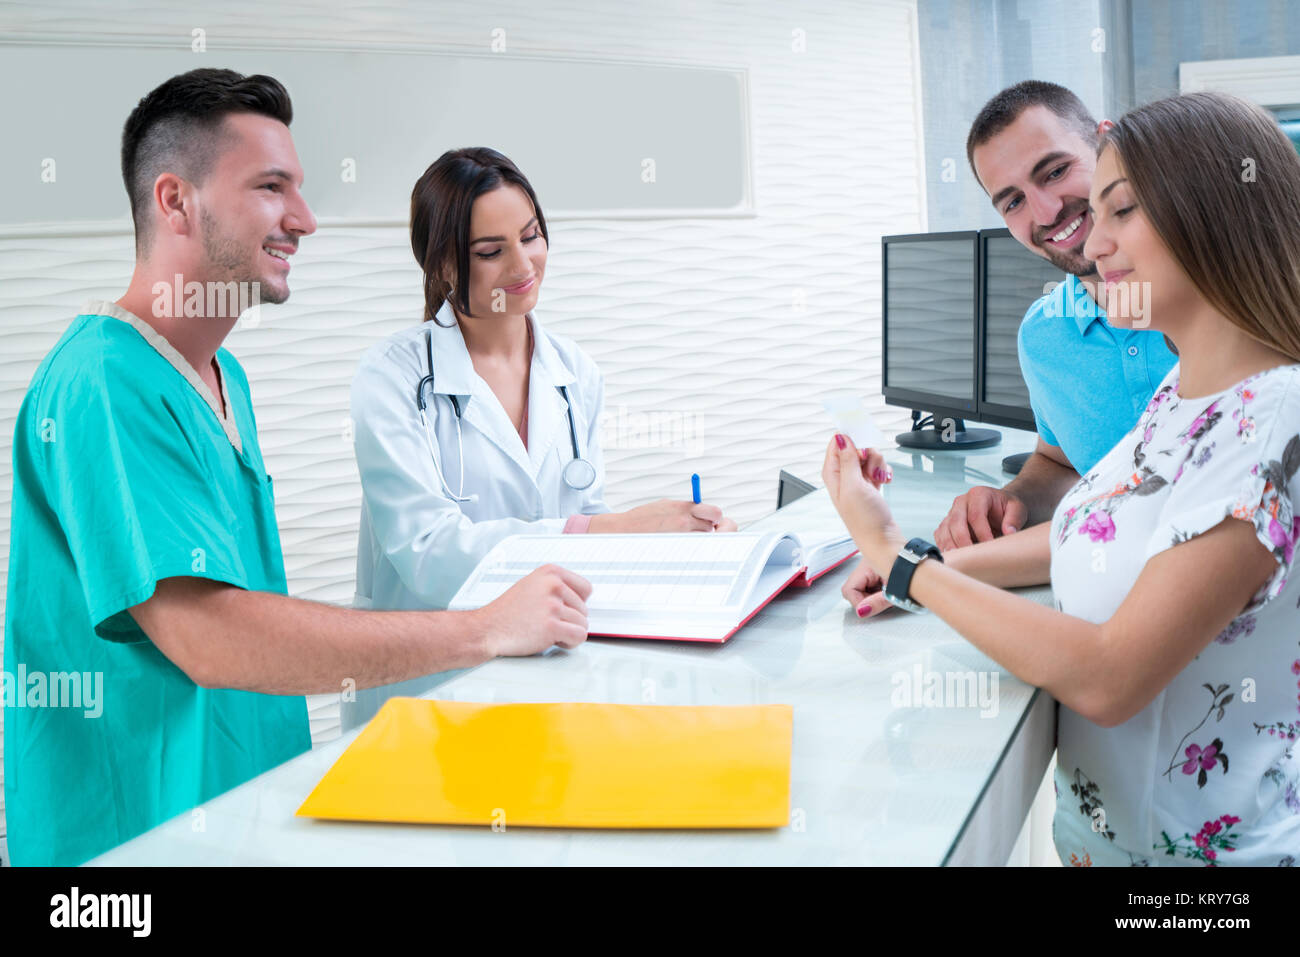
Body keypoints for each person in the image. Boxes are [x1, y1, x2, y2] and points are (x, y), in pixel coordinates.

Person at [2, 70, 591, 867]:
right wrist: (486, 627)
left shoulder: (223, 380)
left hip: (237, 811)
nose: (305, 220)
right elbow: (210, 633)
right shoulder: (101, 382)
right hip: (133, 845)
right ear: (176, 201)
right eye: (272, 187)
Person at [823, 91, 1300, 866]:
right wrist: (915, 568)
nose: (1093, 245)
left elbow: (1111, 675)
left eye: (1123, 211)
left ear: (1211, 208)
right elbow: (1098, 522)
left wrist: (896, 555)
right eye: (1013, 198)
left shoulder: (1271, 416)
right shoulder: (1183, 391)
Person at [843, 81, 1180, 617]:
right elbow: (1061, 458)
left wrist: (906, 563)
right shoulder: (1044, 335)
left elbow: (1168, 515)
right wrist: (1017, 501)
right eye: (1014, 200)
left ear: (1109, 146)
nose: (1046, 212)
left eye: (1054, 171)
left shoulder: (1222, 306)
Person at [350, 147, 736, 614]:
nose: (523, 266)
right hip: (434, 662)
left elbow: (583, 521)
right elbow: (430, 555)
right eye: (491, 251)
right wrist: (618, 528)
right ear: (444, 266)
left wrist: (672, 541)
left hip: (547, 648)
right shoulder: (393, 378)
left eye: (530, 236)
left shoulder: (575, 373)